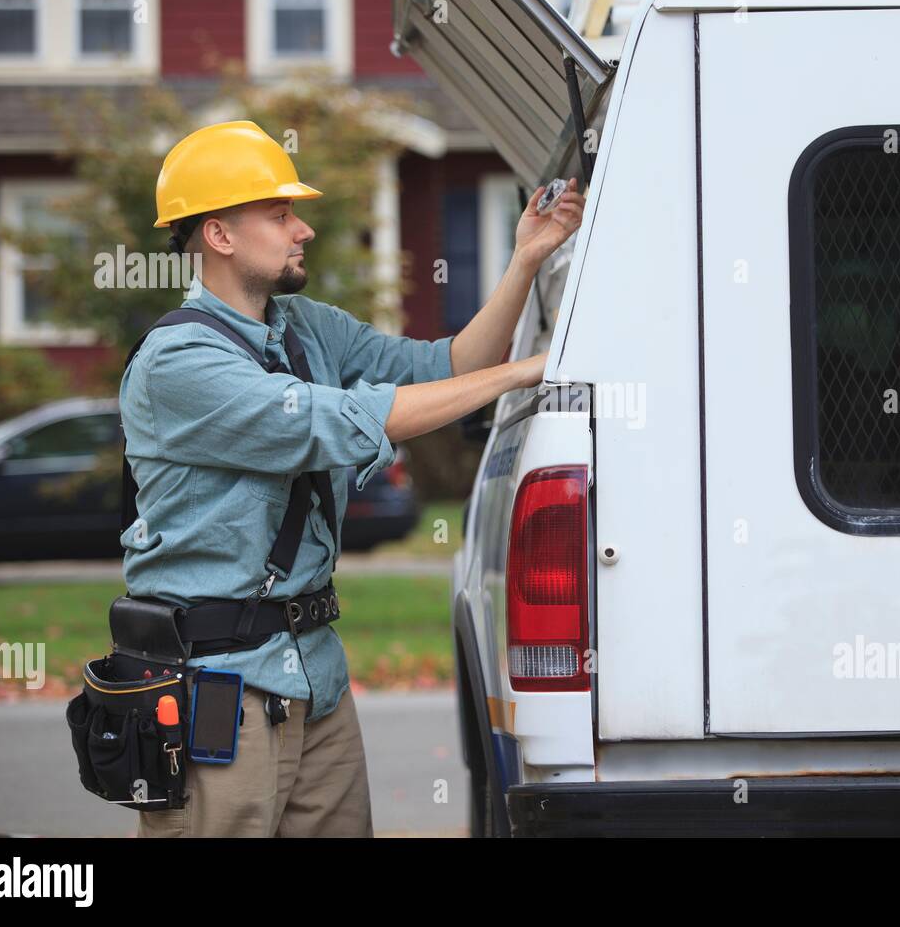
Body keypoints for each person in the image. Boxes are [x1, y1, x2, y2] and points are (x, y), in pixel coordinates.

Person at [123, 119, 583, 836]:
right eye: (279, 214)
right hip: (221, 689)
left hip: (316, 679)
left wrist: (525, 261)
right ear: (219, 236)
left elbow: (450, 368)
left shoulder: (308, 328)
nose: (301, 229)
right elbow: (336, 420)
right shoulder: (177, 364)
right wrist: (530, 370)